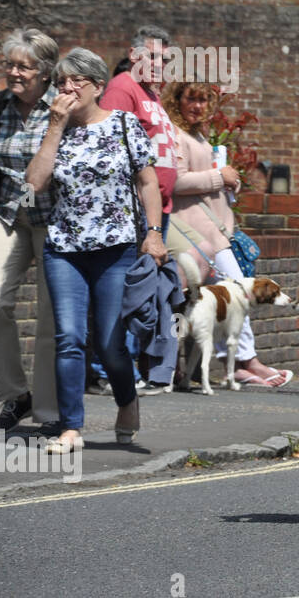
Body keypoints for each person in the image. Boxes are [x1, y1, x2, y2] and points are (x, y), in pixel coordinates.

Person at [24, 48, 168, 454]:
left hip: (115, 247)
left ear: (98, 86)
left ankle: (127, 399)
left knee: (109, 342)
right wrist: (54, 126)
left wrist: (154, 233)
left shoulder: (124, 125)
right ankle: (71, 427)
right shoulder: (53, 127)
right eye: (60, 82)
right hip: (64, 248)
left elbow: (148, 183)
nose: (67, 88)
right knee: (68, 337)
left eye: (76, 81)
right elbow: (32, 185)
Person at [164, 79, 291, 387]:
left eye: (204, 101)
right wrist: (218, 176)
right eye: (191, 99)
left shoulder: (198, 135)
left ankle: (236, 364)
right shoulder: (176, 135)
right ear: (177, 101)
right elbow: (175, 182)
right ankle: (245, 364)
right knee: (235, 296)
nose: (198, 106)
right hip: (195, 234)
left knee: (216, 302)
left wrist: (225, 180)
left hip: (212, 234)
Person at [0, 28, 61, 434]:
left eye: (23, 67)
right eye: (10, 64)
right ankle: (16, 394)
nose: (13, 72)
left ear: (45, 72)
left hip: (53, 218)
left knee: (50, 315)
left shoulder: (63, 108)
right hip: (9, 211)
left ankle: (48, 410)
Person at [101, 24, 182, 393]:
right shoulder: (122, 87)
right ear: (134, 56)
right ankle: (110, 372)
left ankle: (130, 369)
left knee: (143, 293)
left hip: (156, 210)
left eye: (165, 59)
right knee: (126, 291)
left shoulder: (150, 92)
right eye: (152, 57)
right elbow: (109, 146)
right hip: (132, 211)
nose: (160, 64)